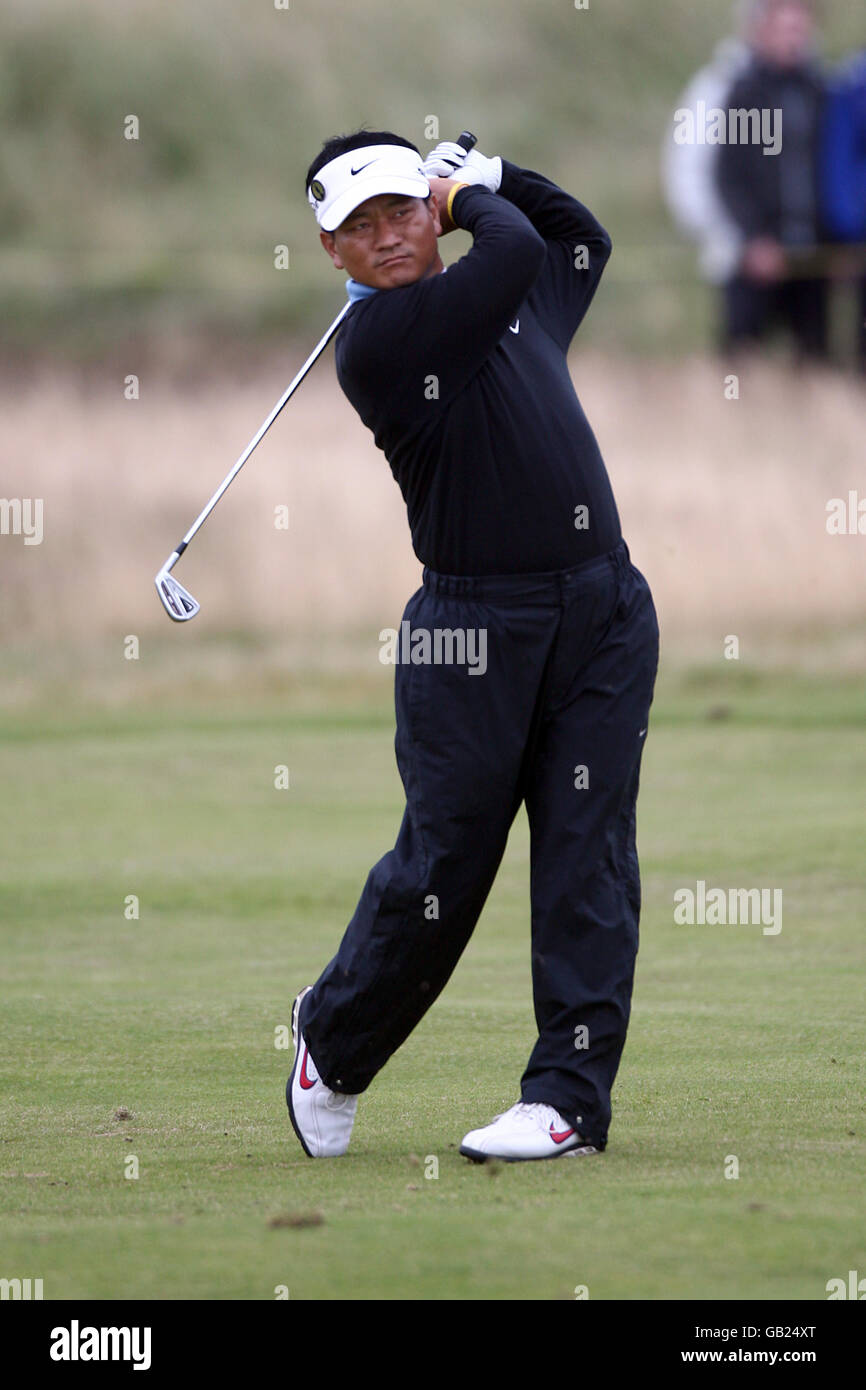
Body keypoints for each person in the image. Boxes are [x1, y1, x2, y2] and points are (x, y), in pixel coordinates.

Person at [285, 130, 659, 1163]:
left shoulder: (512, 291)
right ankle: (334, 1038)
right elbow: (517, 252)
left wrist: (495, 181)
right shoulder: (385, 341)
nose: (389, 236)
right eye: (358, 227)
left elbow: (575, 237)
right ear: (332, 252)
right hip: (471, 634)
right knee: (445, 863)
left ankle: (565, 1103)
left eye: (400, 210)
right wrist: (464, 194)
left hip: (602, 613)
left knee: (589, 853)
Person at [715, 0, 830, 361]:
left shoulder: (819, 91)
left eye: (800, 28)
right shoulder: (745, 93)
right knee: (743, 358)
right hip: (760, 252)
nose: (793, 38)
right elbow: (728, 175)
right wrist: (754, 239)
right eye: (785, 28)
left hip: (813, 253)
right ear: (762, 30)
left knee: (812, 357)